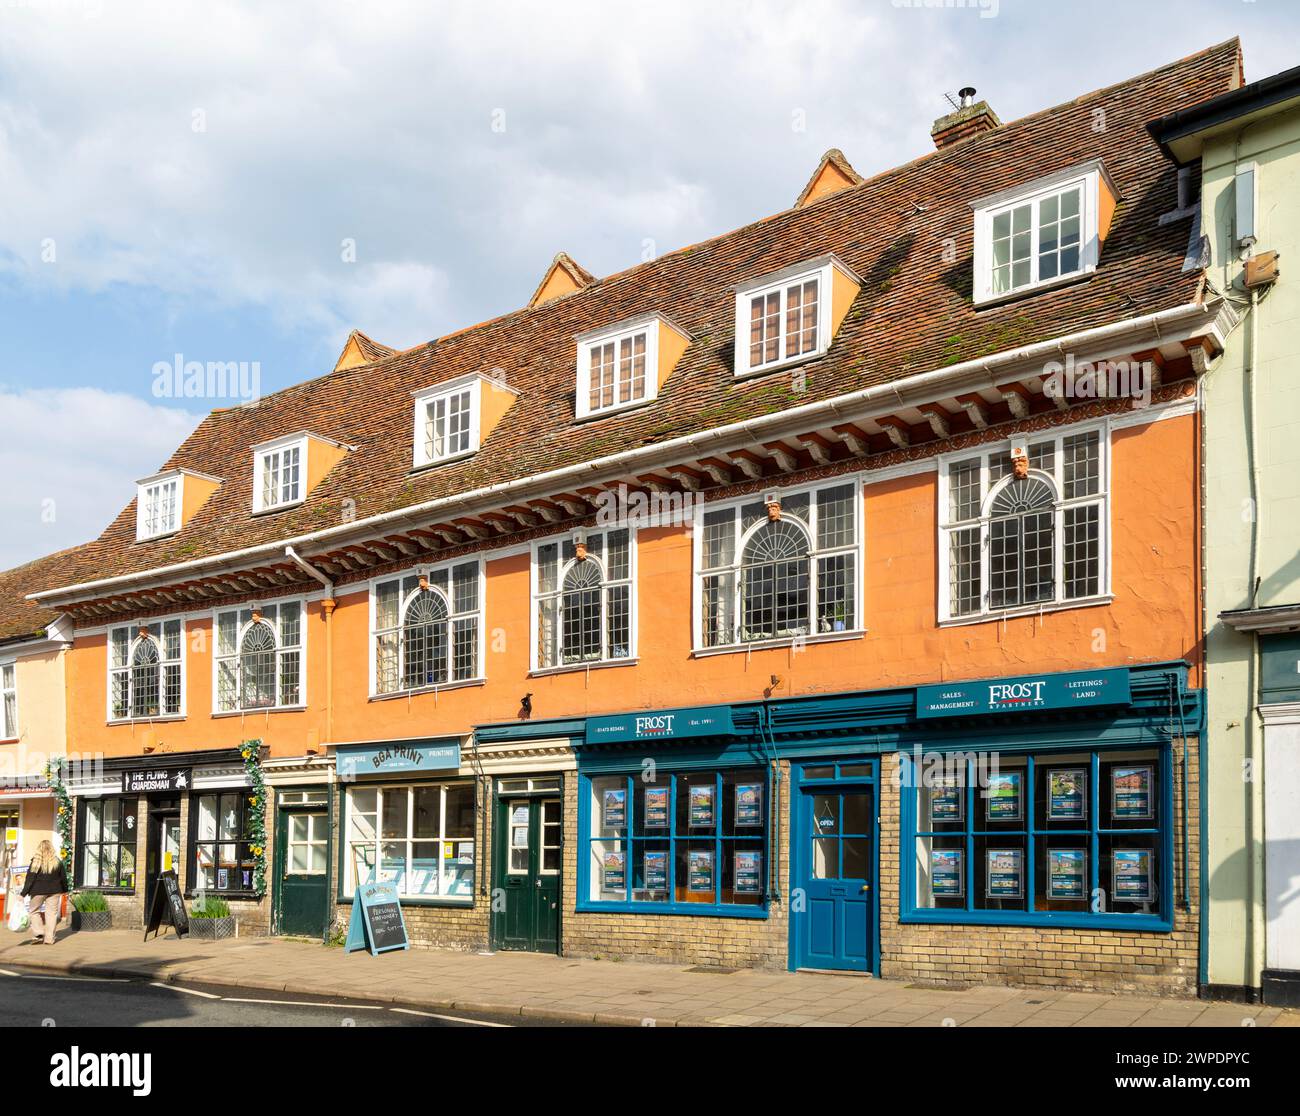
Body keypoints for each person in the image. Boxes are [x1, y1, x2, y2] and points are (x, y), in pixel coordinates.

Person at [20, 840, 69, 945]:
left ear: (39, 849)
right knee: (51, 914)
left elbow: (30, 879)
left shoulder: (36, 862)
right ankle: (49, 939)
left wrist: (23, 894)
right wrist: (65, 890)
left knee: (34, 911)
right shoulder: (57, 862)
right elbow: (63, 878)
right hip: (55, 891)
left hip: (38, 891)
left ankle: (39, 933)